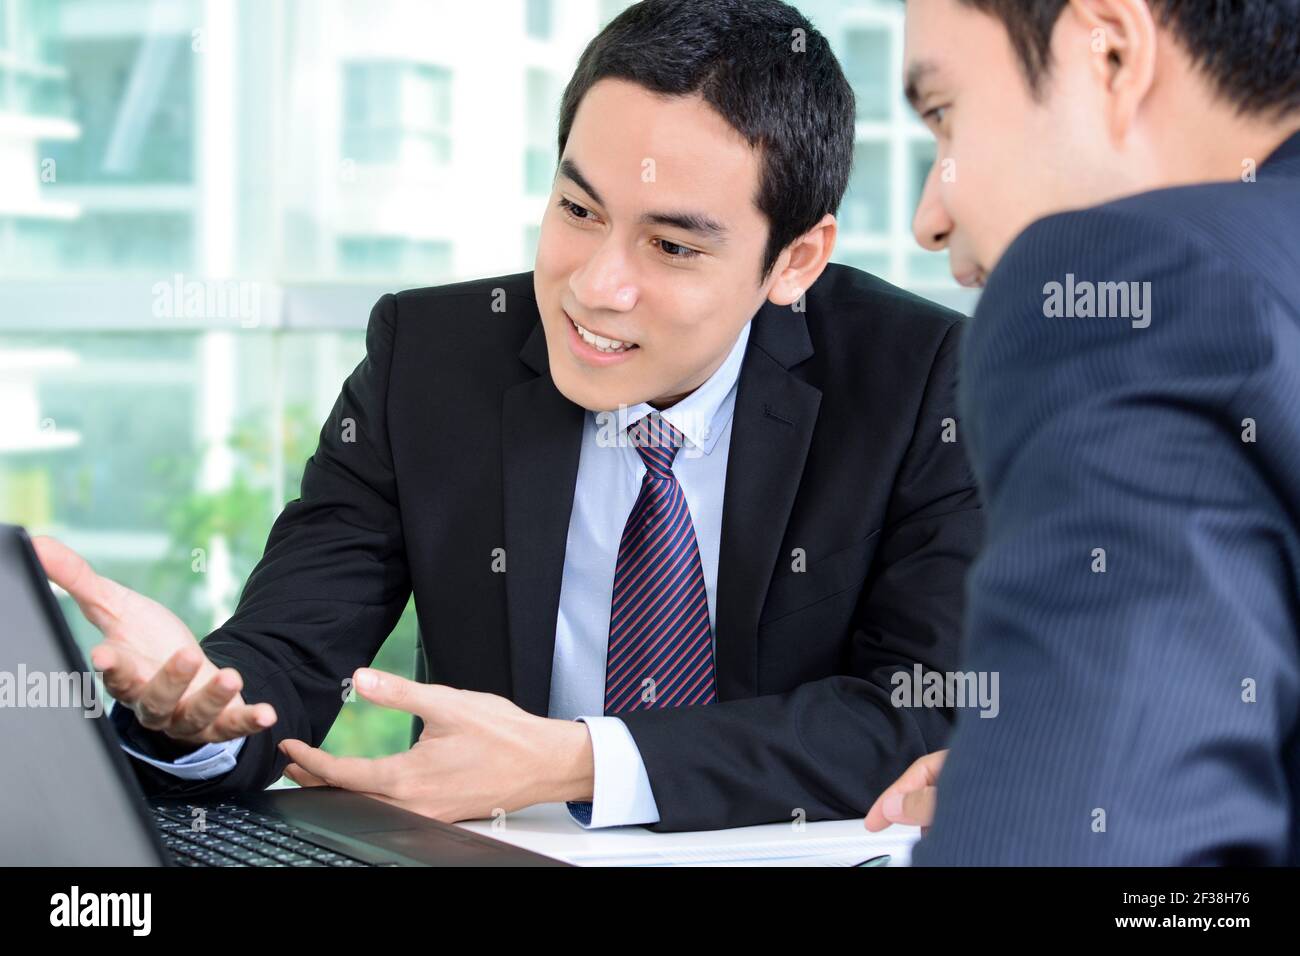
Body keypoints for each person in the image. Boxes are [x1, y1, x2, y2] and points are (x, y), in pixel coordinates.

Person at [38, 0, 981, 832]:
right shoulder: (430, 358)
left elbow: (921, 711)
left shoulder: (919, 380)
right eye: (578, 208)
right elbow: (289, 648)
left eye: (671, 246)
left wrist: (578, 760)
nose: (596, 287)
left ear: (796, 264)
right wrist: (198, 714)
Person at [868, 0, 1300, 864]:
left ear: (1110, 52)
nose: (929, 221)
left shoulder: (1129, 290)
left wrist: (1058, 796)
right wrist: (1051, 744)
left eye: (945, 116)